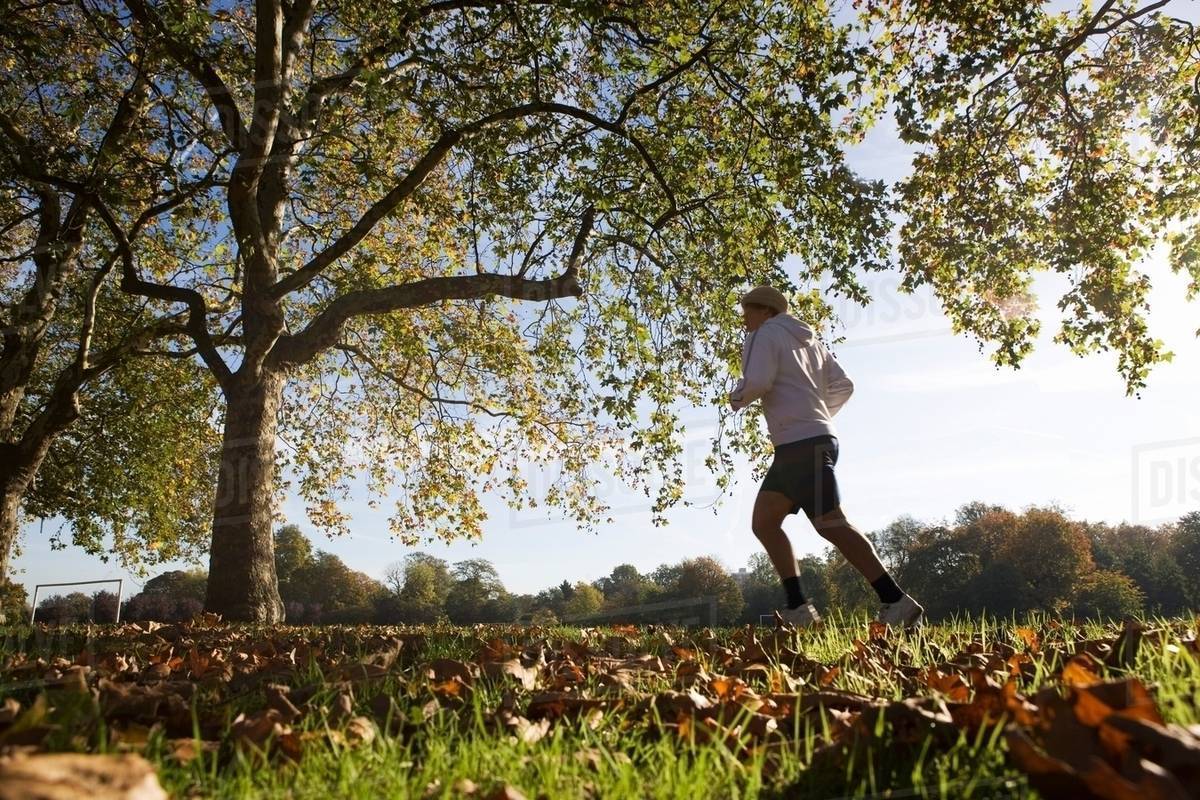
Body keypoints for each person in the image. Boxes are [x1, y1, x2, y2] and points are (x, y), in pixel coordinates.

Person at [729, 285, 924, 629]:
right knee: (765, 522)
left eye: (747, 312)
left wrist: (737, 397)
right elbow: (844, 385)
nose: (744, 320)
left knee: (831, 523)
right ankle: (798, 608)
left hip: (799, 444)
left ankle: (896, 601)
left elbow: (757, 381)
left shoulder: (763, 334)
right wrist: (817, 415)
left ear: (765, 311)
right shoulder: (810, 342)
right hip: (810, 441)